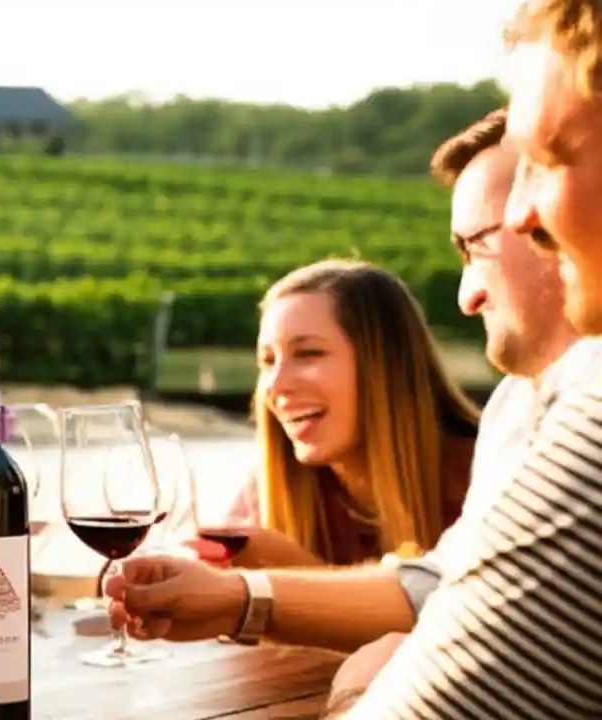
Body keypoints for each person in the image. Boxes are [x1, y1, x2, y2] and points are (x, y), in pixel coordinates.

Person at [120, 3, 602, 716]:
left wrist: (372, 670)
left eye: (552, 158)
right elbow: (443, 587)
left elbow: (455, 683)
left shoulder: (584, 422)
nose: (529, 218)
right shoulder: (522, 407)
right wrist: (241, 597)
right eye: (266, 361)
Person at [219, 258, 479, 571]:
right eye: (268, 362)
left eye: (308, 354)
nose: (276, 386)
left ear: (384, 367)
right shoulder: (265, 496)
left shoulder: (484, 481)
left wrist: (300, 581)